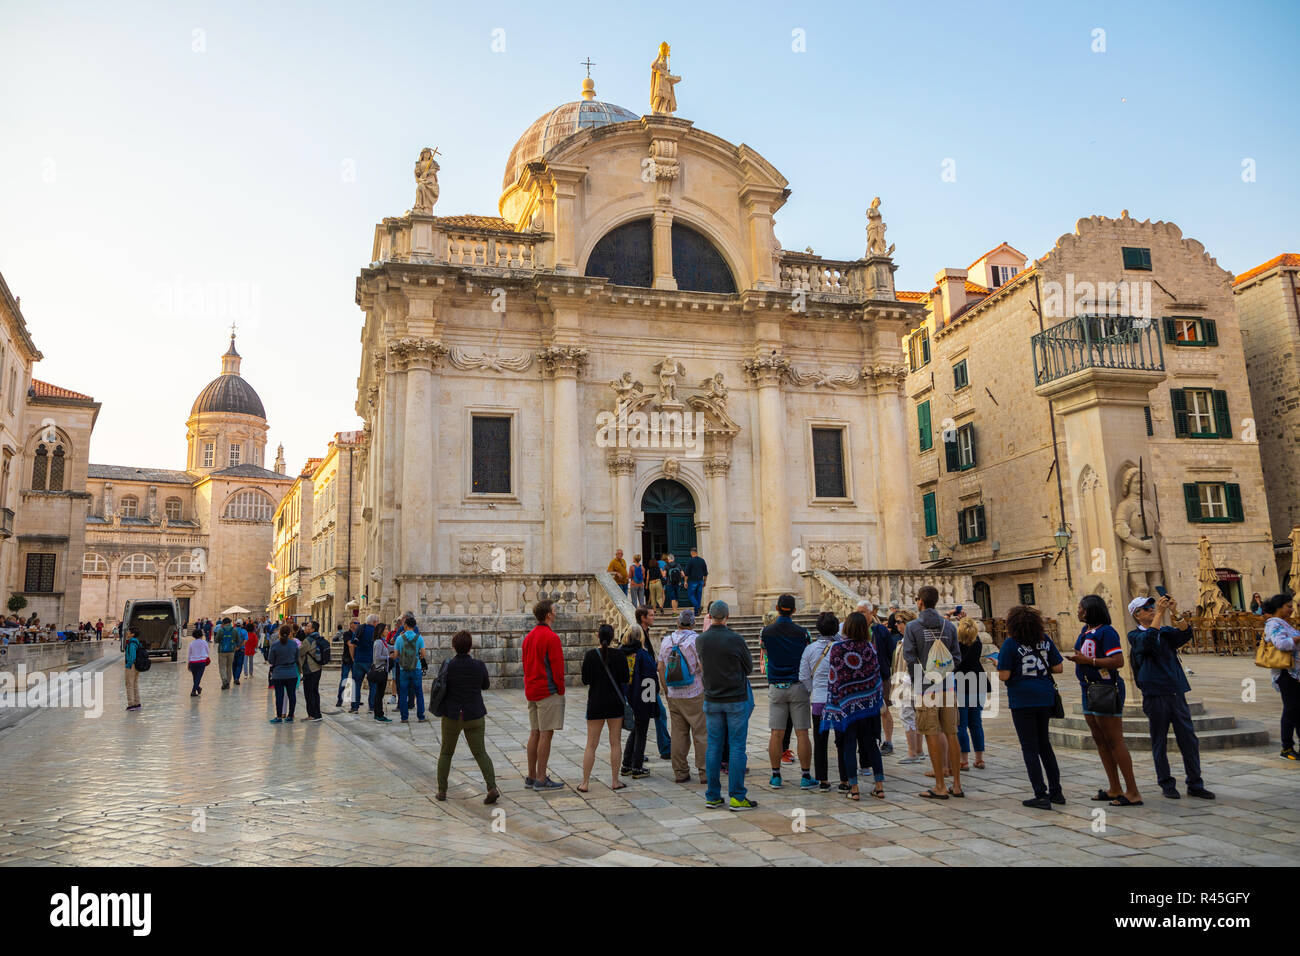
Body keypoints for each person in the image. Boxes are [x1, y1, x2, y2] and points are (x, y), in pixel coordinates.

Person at [1128, 594, 1215, 799]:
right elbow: (1148, 641)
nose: (1150, 609)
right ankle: (1166, 783)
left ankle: (1195, 783)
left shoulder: (1165, 632)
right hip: (1155, 694)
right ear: (1137, 615)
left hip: (1175, 691)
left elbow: (1185, 635)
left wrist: (1175, 612)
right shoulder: (1135, 636)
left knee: (1189, 740)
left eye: (1151, 606)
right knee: (1159, 740)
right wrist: (1159, 613)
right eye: (1146, 608)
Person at [1067, 594, 1141, 806]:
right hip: (1088, 688)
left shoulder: (1107, 632)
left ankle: (1132, 791)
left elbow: (1117, 661)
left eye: (1081, 608)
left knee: (1114, 739)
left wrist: (1087, 661)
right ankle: (1114, 787)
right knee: (1099, 739)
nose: (1079, 611)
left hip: (1106, 689)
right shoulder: (1086, 631)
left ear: (1091, 610)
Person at [997, 604, 1066, 809]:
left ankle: (1040, 794)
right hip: (1044, 696)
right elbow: (1058, 667)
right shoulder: (1044, 641)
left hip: (1022, 699)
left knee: (1029, 747)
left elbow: (1004, 675)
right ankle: (1056, 792)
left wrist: (998, 665)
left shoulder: (1010, 644)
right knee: (1045, 744)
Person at [903, 586, 963, 799]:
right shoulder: (949, 626)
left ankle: (940, 785)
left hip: (926, 689)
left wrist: (922, 679)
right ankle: (956, 784)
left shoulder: (912, 627)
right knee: (951, 733)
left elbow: (909, 658)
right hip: (947, 686)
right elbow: (957, 657)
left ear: (920, 602)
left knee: (931, 734)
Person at [697, 600, 757, 811]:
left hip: (712, 698)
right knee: (737, 747)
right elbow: (748, 667)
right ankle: (737, 796)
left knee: (713, 746)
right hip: (735, 698)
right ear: (727, 617)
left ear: (710, 616)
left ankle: (713, 795)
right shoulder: (736, 639)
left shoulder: (701, 640)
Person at [823, 611, 886, 800]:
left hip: (846, 705)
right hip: (867, 706)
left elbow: (834, 677)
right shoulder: (870, 647)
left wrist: (835, 702)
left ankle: (854, 789)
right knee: (871, 745)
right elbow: (876, 675)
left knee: (849, 746)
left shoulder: (837, 648)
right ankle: (879, 786)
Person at [435, 630, 499, 804]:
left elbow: (441, 687)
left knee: (446, 753)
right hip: (475, 714)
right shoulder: (479, 665)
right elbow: (485, 685)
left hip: (452, 715)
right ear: (470, 647)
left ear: (454, 647)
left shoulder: (448, 665)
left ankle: (442, 791)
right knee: (480, 752)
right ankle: (492, 787)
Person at [760, 594, 815, 789]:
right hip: (797, 685)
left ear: (777, 607)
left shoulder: (765, 632)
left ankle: (776, 775)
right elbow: (808, 656)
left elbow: (765, 653)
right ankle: (805, 776)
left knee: (776, 733)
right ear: (794, 610)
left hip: (776, 685)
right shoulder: (803, 633)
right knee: (802, 733)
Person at [578, 623, 630, 793]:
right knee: (615, 743)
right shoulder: (620, 655)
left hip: (596, 702)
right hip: (615, 703)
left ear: (598, 637)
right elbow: (624, 679)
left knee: (591, 744)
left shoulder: (591, 655)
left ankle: (585, 782)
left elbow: (585, 680)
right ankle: (615, 780)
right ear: (613, 636)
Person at [659, 608, 707, 784]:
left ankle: (680, 772)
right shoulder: (696, 641)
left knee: (679, 734)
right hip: (694, 691)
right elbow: (702, 666)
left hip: (674, 694)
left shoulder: (666, 641)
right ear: (693, 623)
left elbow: (660, 667)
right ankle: (704, 772)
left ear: (677, 623)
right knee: (701, 733)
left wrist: (666, 690)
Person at [522, 599, 565, 790]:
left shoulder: (529, 637)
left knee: (535, 733)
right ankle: (541, 778)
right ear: (548, 614)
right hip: (548, 691)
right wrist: (560, 689)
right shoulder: (551, 637)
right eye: (554, 610)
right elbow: (557, 668)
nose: (556, 612)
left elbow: (525, 664)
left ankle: (531, 775)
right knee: (546, 734)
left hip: (532, 689)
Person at [799, 611, 840, 791]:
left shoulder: (810, 649)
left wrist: (813, 689)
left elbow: (803, 675)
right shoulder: (841, 647)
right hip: (838, 700)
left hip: (818, 700)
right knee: (842, 740)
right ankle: (845, 780)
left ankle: (823, 779)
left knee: (820, 741)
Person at [1261, 593, 1300, 760]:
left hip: (1293, 673)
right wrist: (1298, 637)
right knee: (1291, 710)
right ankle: (1286, 747)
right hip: (1286, 673)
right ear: (1279, 608)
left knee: (1297, 710)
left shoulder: (1283, 623)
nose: (1291, 609)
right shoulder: (1274, 624)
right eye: (1288, 606)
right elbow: (1281, 643)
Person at [619, 624, 658, 777]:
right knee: (641, 732)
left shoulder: (620, 653)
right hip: (641, 699)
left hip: (625, 698)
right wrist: (651, 704)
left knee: (635, 731)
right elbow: (650, 679)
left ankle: (626, 764)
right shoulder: (643, 654)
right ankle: (637, 767)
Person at [636, 605, 672, 759]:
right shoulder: (638, 634)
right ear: (643, 618)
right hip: (645, 684)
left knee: (647, 717)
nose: (653, 617)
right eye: (651, 615)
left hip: (648, 683)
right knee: (655, 714)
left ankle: (640, 751)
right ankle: (664, 749)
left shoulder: (644, 632)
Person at [954, 617, 986, 772]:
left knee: (961, 724)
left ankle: (964, 760)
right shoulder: (977, 642)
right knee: (976, 723)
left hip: (961, 682)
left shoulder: (957, 645)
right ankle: (979, 758)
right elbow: (975, 635)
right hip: (977, 681)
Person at [394, 613, 428, 722]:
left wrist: (401, 657)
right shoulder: (419, 638)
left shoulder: (399, 638)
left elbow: (395, 655)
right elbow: (423, 654)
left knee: (403, 693)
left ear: (406, 625)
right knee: (419, 693)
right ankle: (421, 717)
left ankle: (404, 717)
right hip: (416, 668)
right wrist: (417, 656)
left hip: (403, 669)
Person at [267, 624, 299, 723]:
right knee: (292, 695)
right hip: (292, 673)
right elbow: (297, 658)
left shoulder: (275, 645)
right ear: (290, 633)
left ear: (279, 633)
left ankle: (279, 716)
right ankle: (290, 715)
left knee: (279, 695)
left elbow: (270, 660)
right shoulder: (294, 644)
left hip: (279, 673)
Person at [297, 620, 328, 720]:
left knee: (309, 692)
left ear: (313, 629)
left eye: (308, 627)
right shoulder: (318, 638)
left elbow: (300, 652)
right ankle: (317, 714)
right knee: (315, 691)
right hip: (317, 668)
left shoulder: (308, 640)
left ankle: (312, 715)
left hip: (310, 669)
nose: (306, 628)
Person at [348, 615, 376, 713]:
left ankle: (354, 707)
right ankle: (372, 707)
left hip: (358, 660)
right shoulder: (375, 631)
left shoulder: (359, 629)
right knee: (373, 684)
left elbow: (352, 644)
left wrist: (353, 657)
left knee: (356, 684)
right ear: (375, 622)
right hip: (370, 661)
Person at [369, 624, 392, 721]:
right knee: (379, 693)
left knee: (380, 693)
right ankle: (378, 714)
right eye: (386, 629)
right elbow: (376, 658)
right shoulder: (378, 642)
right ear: (380, 630)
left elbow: (390, 648)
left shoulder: (383, 642)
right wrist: (388, 658)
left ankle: (379, 713)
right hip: (380, 671)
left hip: (383, 670)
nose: (387, 630)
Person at [214, 617, 239, 690]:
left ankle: (224, 681)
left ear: (223, 623)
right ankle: (228, 683)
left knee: (222, 667)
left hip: (222, 651)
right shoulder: (234, 630)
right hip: (231, 651)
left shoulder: (221, 630)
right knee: (229, 667)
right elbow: (237, 640)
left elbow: (216, 640)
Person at [123, 625, 143, 711]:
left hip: (131, 666)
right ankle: (137, 702)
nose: (127, 633)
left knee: (129, 685)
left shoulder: (131, 643)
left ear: (132, 634)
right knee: (134, 684)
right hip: (136, 666)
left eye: (128, 631)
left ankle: (131, 704)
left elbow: (132, 656)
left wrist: (128, 665)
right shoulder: (136, 642)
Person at [337, 620, 357, 707]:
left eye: (359, 623)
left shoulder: (358, 633)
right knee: (344, 679)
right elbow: (350, 644)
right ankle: (340, 699)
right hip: (347, 659)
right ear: (351, 624)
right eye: (356, 623)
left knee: (355, 680)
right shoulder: (347, 634)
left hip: (356, 660)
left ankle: (353, 700)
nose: (358, 625)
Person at [684, 547, 708, 614]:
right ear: (697, 553)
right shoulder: (702, 560)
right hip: (700, 581)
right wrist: (705, 581)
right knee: (698, 596)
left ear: (691, 553)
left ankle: (697, 607)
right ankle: (696, 612)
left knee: (690, 595)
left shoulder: (690, 561)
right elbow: (705, 573)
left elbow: (687, 573)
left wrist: (685, 582)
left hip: (692, 581)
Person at [187, 628, 210, 697]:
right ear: (201, 635)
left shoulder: (191, 643)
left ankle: (198, 688)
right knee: (198, 677)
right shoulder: (204, 642)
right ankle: (193, 691)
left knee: (195, 677)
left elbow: (189, 654)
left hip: (193, 662)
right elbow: (207, 651)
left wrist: (188, 663)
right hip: (201, 662)